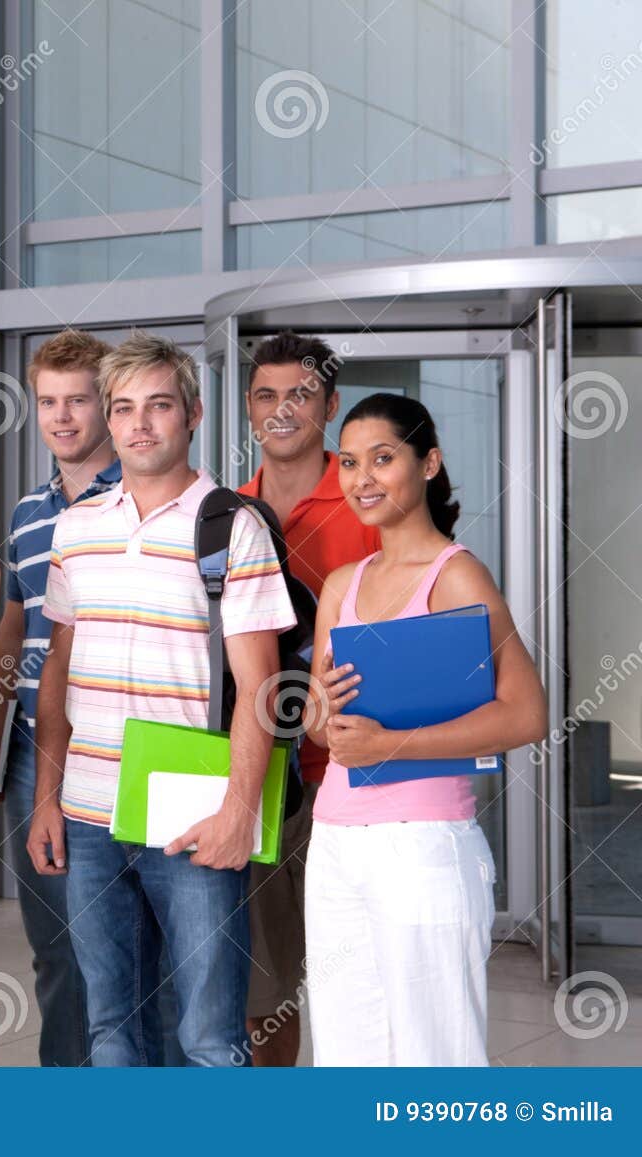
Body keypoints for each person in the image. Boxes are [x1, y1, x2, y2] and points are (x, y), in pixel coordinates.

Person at [28, 331, 297, 1066]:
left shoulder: (230, 525)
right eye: (123, 408)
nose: (139, 423)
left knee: (209, 1036)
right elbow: (59, 667)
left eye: (158, 405)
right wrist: (46, 797)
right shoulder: (77, 526)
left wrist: (240, 809)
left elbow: (264, 687)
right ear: (109, 422)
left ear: (193, 414)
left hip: (191, 809)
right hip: (85, 812)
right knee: (112, 1026)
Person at [305, 392, 546, 1066]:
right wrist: (319, 706)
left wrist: (390, 745)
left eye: (383, 458)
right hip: (335, 843)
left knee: (433, 1056)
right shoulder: (342, 585)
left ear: (429, 463)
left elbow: (525, 713)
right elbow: (324, 730)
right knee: (345, 1053)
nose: (362, 479)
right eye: (349, 462)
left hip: (423, 847)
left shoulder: (457, 574)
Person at [236, 331, 380, 1065]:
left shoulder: (369, 500)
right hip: (265, 773)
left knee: (358, 983)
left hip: (359, 773)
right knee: (269, 988)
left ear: (330, 404)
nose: (282, 409)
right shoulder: (224, 514)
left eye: (299, 394)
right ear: (249, 409)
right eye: (267, 395)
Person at [0, 329, 118, 1067]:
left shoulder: (138, 496)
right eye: (48, 402)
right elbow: (13, 624)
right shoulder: (28, 511)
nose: (62, 417)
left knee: (123, 950)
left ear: (106, 402)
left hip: (116, 746)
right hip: (35, 750)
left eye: (78, 400)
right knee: (57, 950)